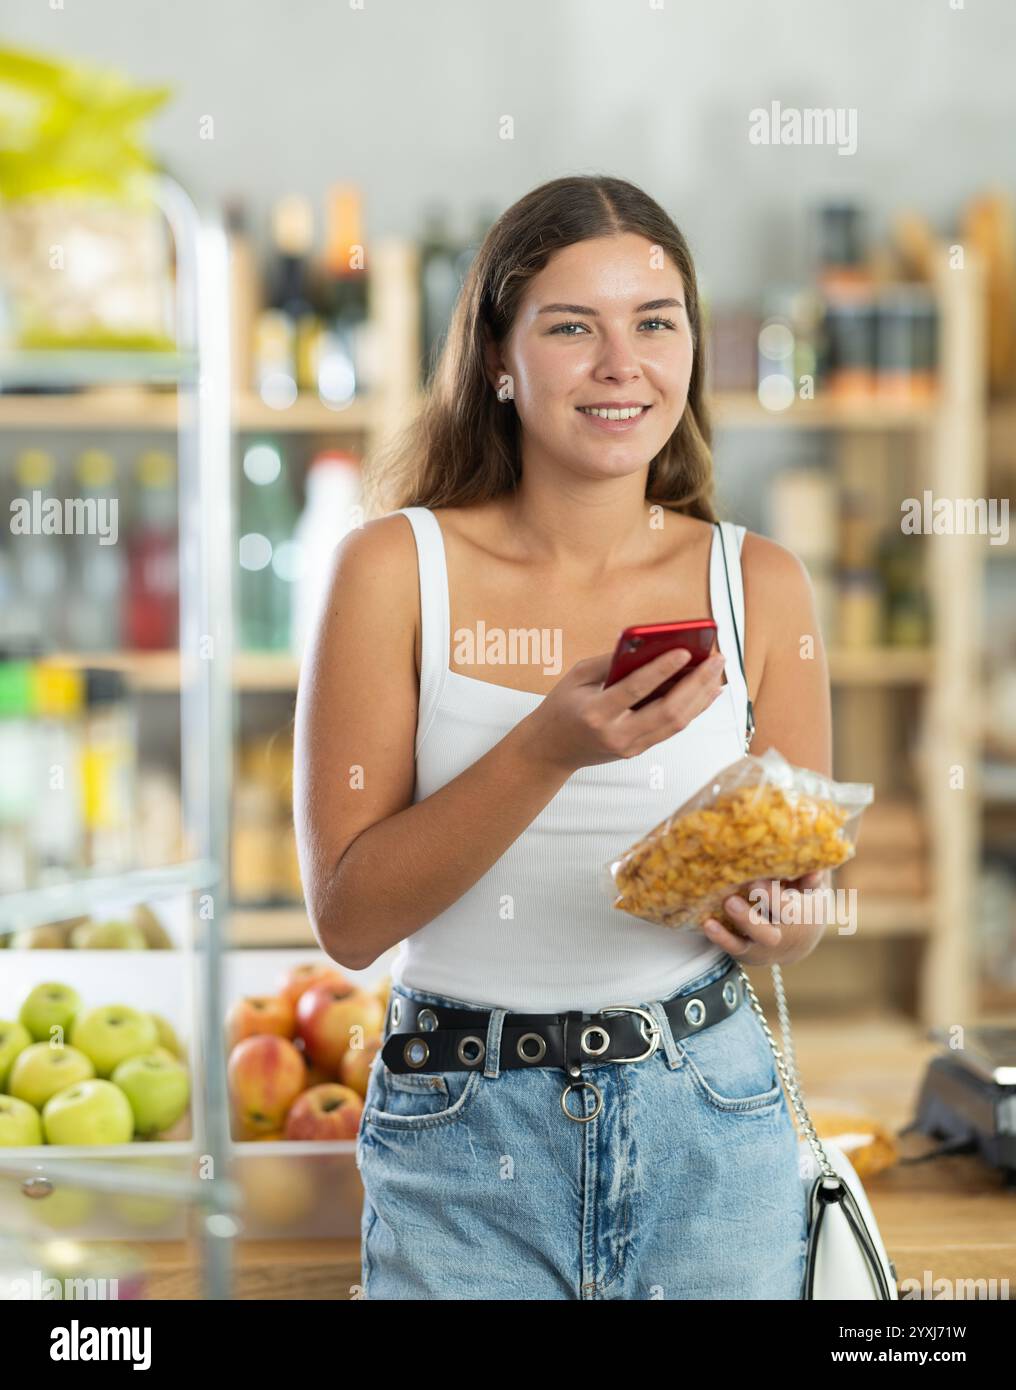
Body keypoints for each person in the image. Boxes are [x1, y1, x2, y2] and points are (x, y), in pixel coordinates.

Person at [293, 174, 830, 1300]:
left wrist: (787, 920)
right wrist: (545, 748)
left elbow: (804, 875)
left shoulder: (758, 585)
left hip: (711, 1119)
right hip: (458, 1127)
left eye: (653, 323)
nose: (618, 363)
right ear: (497, 357)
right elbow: (348, 917)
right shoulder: (395, 571)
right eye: (570, 326)